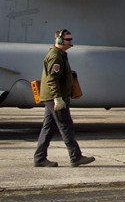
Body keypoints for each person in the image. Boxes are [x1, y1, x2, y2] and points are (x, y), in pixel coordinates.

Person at [33, 28, 95, 167]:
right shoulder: (55, 56)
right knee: (66, 126)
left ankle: (39, 158)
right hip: (55, 97)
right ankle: (75, 157)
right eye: (68, 39)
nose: (70, 42)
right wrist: (57, 98)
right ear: (59, 40)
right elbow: (51, 79)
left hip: (52, 97)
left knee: (48, 128)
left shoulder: (60, 55)